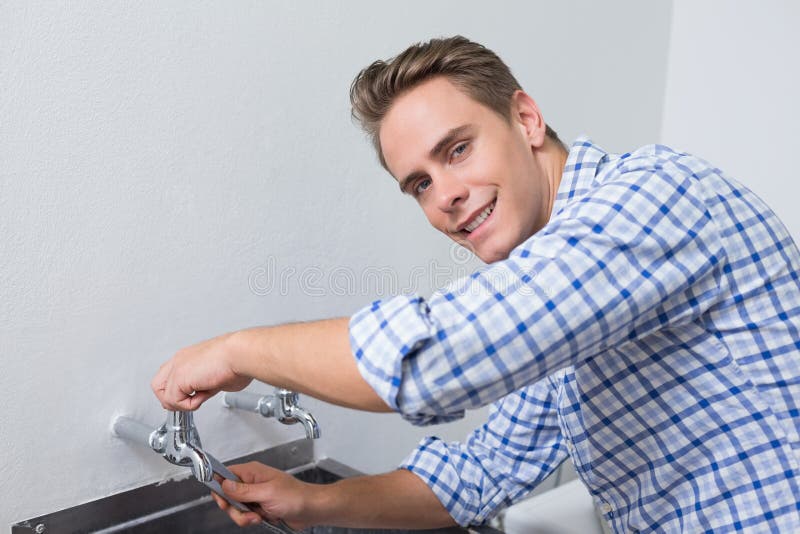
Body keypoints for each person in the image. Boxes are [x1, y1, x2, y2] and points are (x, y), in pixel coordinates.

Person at [151, 36, 800, 532]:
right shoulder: (559, 290)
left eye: (457, 149)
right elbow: (484, 471)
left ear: (526, 119)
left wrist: (237, 351)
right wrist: (313, 500)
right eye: (420, 185)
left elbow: (432, 361)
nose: (448, 197)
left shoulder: (653, 195)